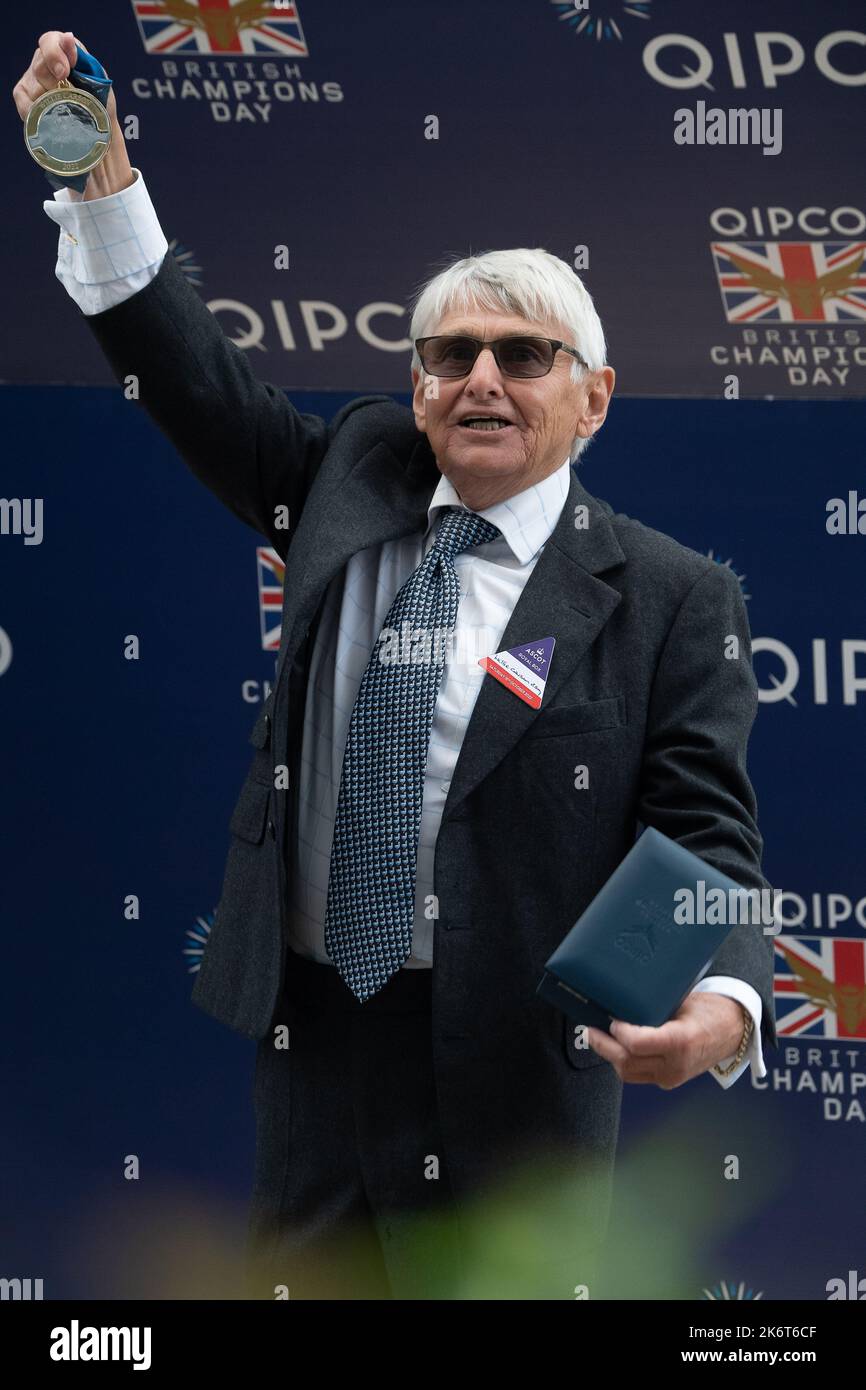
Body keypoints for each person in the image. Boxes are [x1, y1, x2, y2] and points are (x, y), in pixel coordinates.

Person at [15, 30, 778, 1301]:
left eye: (521, 355)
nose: (480, 378)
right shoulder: (343, 478)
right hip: (315, 1031)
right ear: (417, 388)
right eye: (447, 354)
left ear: (592, 398)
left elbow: (705, 838)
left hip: (520, 1062)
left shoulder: (671, 597)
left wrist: (725, 1007)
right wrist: (99, 177)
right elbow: (188, 375)